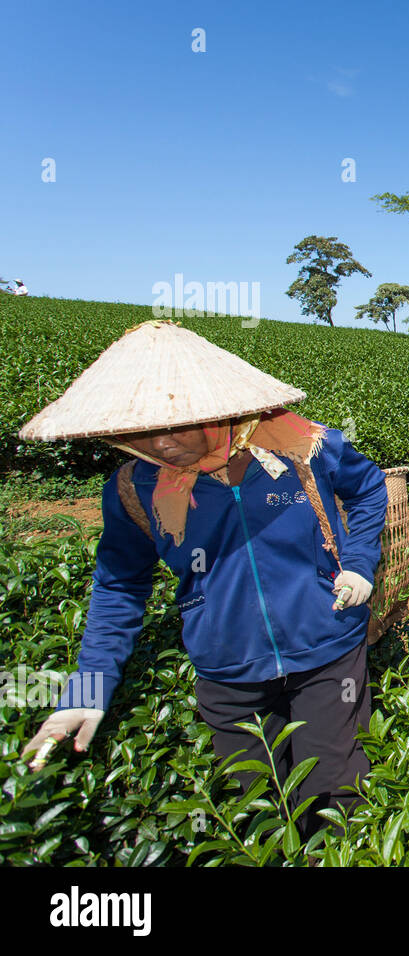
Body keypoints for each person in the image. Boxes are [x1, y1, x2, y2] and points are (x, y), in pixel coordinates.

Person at [18, 320, 388, 836]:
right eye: (142, 429)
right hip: (227, 670)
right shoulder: (135, 488)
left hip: (327, 647)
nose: (162, 443)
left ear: (217, 410)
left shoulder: (302, 444)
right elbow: (120, 584)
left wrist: (358, 562)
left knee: (334, 798)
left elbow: (369, 487)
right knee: (254, 810)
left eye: (177, 424)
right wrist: (89, 686)